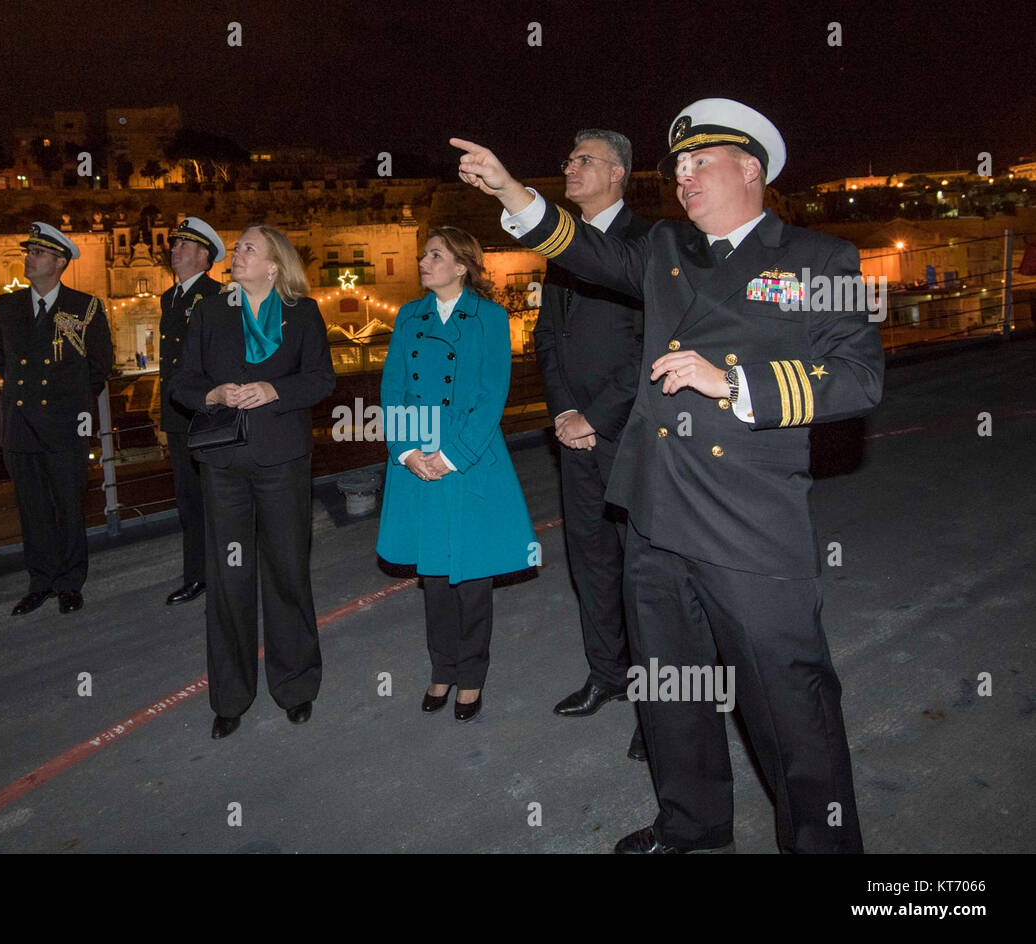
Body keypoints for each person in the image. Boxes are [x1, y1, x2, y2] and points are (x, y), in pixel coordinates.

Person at [454, 97, 883, 853]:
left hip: (747, 524)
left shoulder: (818, 260)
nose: (684, 179)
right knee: (672, 689)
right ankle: (694, 822)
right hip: (655, 513)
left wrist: (733, 379)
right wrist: (509, 191)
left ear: (751, 170)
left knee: (790, 706)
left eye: (700, 164)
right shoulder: (663, 252)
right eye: (677, 168)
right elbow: (581, 249)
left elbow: (856, 379)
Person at [170, 225, 335, 739]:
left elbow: (321, 379)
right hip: (223, 466)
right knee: (228, 578)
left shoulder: (302, 313)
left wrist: (273, 389)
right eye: (236, 247)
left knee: (287, 573)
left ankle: (296, 687)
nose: (235, 254)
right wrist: (214, 395)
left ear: (273, 265)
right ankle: (231, 696)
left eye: (247, 248)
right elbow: (181, 382)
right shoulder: (211, 311)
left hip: (283, 462)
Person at [376, 226, 537, 723]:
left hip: (470, 462)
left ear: (462, 266)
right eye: (424, 254)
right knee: (435, 578)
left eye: (435, 255)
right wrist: (406, 453)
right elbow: (393, 389)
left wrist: (450, 456)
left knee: (473, 580)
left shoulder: (490, 317)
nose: (424, 261)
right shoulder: (408, 316)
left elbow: (493, 395)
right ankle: (441, 669)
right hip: (417, 465)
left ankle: (471, 676)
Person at [535, 130, 650, 761]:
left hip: (628, 438)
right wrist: (564, 411)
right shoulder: (562, 251)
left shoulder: (646, 243)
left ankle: (655, 706)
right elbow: (546, 339)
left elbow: (649, 346)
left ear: (617, 173)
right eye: (569, 157)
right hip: (572, 435)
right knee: (590, 559)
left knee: (643, 569)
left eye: (582, 160)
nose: (569, 168)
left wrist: (596, 417)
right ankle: (608, 675)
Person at [0, 222, 113, 616]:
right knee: (32, 508)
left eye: (38, 253)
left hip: (64, 426)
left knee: (68, 506)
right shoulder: (7, 307)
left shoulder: (84, 307)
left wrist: (70, 404)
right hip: (20, 426)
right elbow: (0, 362)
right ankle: (40, 581)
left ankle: (70, 582)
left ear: (59, 262)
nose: (29, 258)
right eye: (28, 252)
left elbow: (99, 365)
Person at [159, 217, 225, 606]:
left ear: (204, 255)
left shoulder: (218, 297)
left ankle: (219, 572)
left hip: (206, 415)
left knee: (216, 498)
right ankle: (197, 575)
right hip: (177, 416)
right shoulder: (169, 298)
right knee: (189, 502)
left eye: (184, 245)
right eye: (174, 244)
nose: (175, 249)